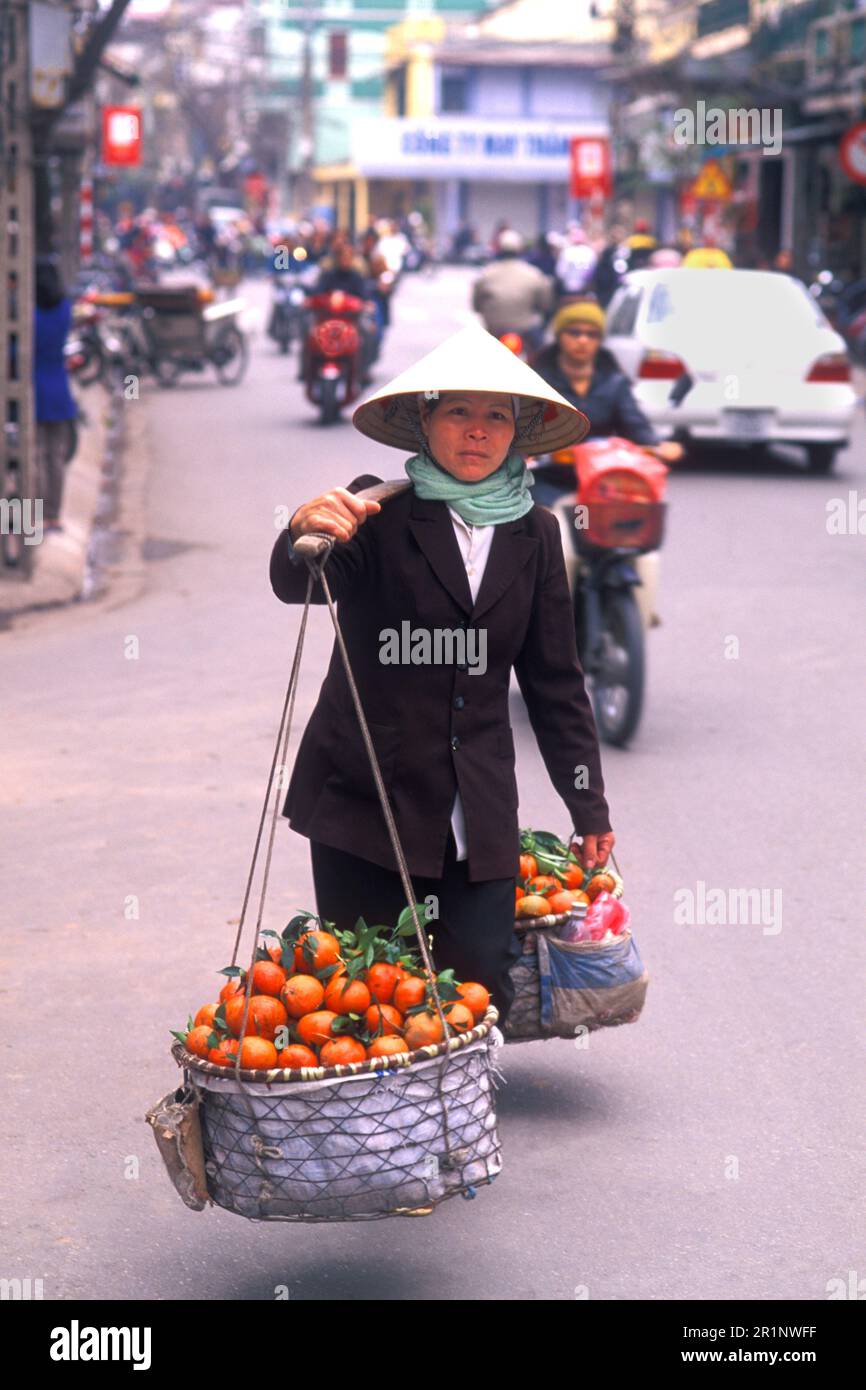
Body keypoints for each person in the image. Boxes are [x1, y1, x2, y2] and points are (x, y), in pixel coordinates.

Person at [269, 327, 615, 1027]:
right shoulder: (375, 511)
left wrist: (590, 808)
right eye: (459, 412)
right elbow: (299, 582)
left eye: (496, 416)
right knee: (366, 988)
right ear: (425, 422)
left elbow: (555, 682)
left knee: (475, 977)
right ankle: (388, 1132)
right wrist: (302, 529)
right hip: (363, 797)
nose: (478, 432)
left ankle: (449, 1118)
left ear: (518, 433)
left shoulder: (537, 533)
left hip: (475, 805)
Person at [34, 259, 78, 533]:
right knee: (55, 457)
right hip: (59, 387)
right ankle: (54, 516)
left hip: (34, 388)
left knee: (34, 454)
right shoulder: (64, 309)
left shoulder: (29, 314)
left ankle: (32, 517)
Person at [471, 229, 553, 351]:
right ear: (520, 249)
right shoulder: (533, 274)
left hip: (494, 327)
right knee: (542, 357)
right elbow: (545, 304)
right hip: (526, 329)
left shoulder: (486, 273)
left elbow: (477, 305)